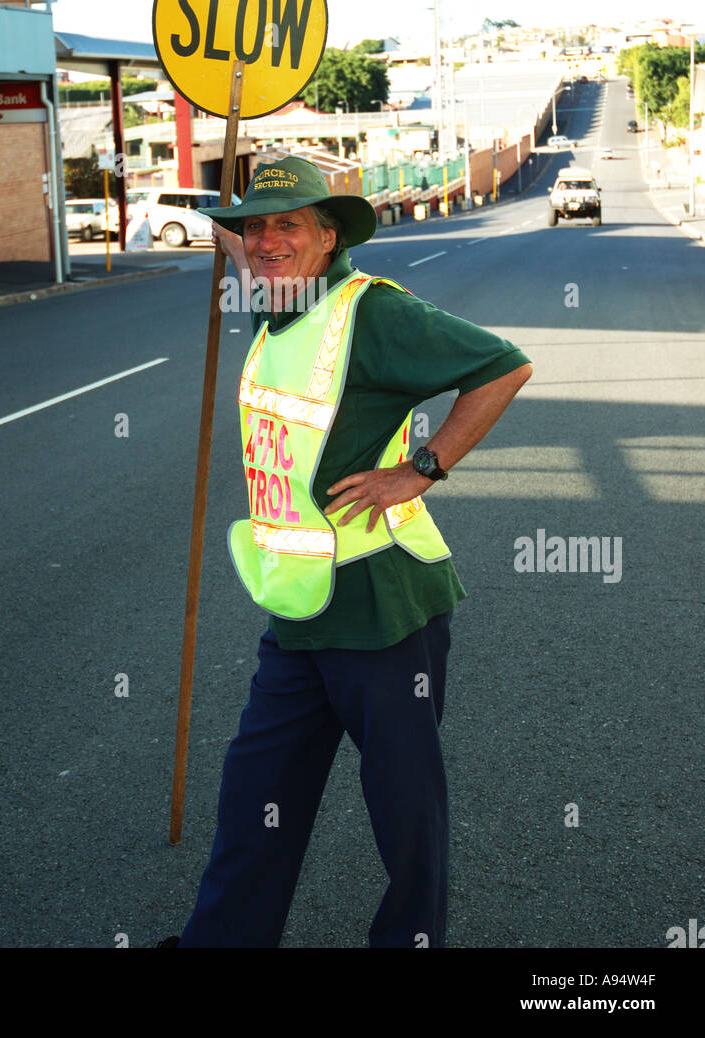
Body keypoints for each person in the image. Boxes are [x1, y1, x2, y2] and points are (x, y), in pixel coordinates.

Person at [160, 155, 532, 949]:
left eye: (286, 225)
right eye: (257, 228)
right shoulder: (281, 301)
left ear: (328, 238)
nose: (266, 241)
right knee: (256, 790)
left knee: (406, 812)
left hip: (382, 608)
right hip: (299, 607)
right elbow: (244, 244)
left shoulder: (373, 315)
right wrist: (230, 226)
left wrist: (421, 469)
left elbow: (503, 366)